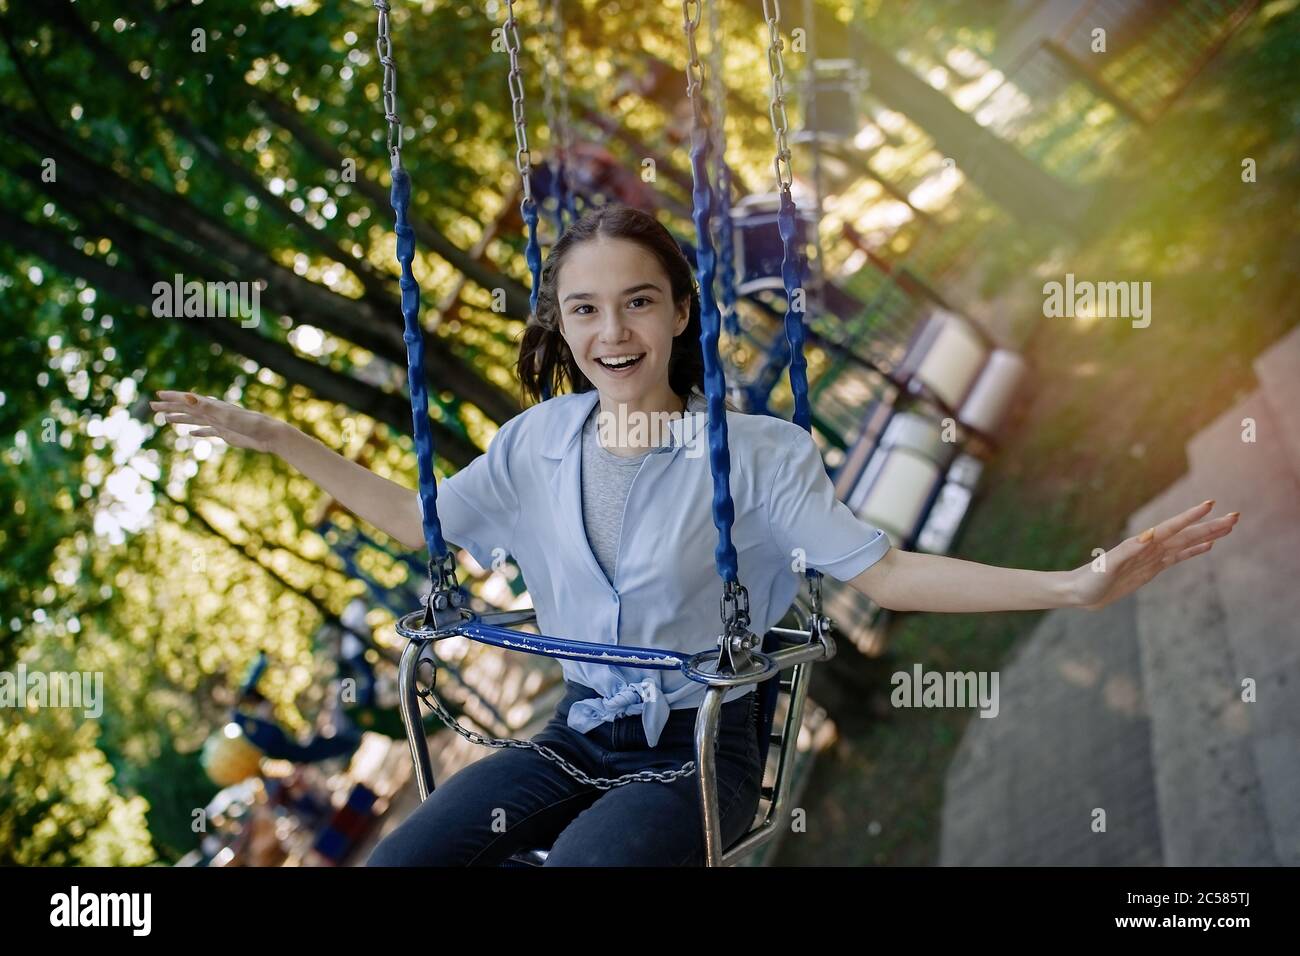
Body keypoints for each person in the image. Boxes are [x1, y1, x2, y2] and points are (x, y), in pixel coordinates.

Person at [152, 205, 1239, 866]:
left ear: (678, 311)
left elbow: (884, 565)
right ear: (559, 326)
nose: (609, 332)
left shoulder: (755, 453)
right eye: (582, 310)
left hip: (698, 749)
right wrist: (278, 435)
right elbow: (420, 523)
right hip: (574, 736)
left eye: (635, 303)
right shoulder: (534, 444)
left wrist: (1073, 586)